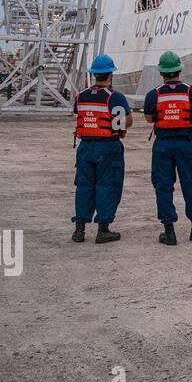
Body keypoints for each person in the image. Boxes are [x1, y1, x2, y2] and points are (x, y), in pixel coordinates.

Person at [143, 50, 192, 246]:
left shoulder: (154, 94)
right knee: (191, 184)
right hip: (185, 145)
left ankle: (169, 232)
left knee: (163, 186)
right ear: (179, 70)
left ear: (161, 73)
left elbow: (149, 119)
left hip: (162, 145)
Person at [71, 53, 131, 244]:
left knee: (84, 186)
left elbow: (80, 113)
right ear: (110, 74)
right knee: (107, 186)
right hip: (108, 147)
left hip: (85, 147)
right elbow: (122, 123)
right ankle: (103, 229)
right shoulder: (115, 97)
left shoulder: (81, 96)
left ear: (94, 74)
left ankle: (79, 229)